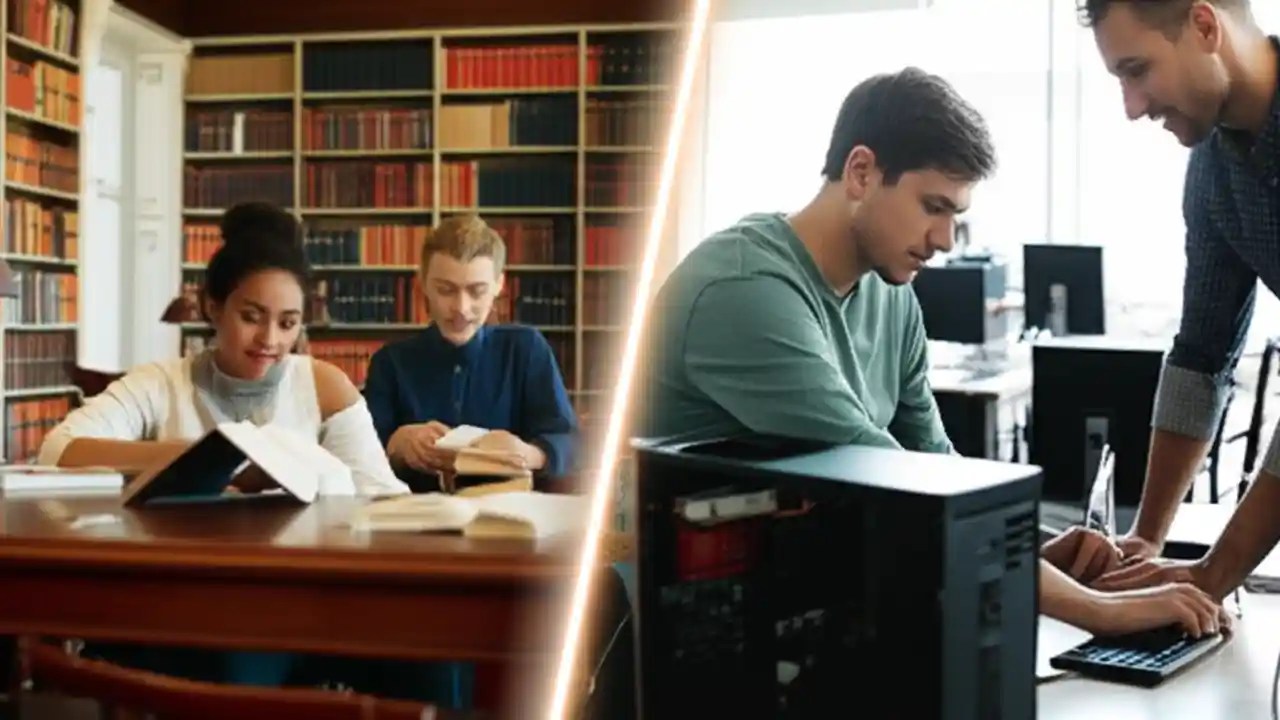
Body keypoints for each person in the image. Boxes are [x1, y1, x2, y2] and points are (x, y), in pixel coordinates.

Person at [636, 67, 1227, 637]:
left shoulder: (892, 299)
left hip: (800, 603)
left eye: (955, 214)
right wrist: (1103, 611)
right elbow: (902, 488)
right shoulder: (743, 292)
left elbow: (938, 469)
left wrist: (1037, 548)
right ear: (862, 172)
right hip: (683, 621)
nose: (946, 241)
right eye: (933, 207)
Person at [36, 202, 410, 689]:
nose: (270, 340)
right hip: (185, 599)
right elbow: (59, 450)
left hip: (306, 598)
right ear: (212, 306)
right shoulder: (160, 382)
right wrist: (207, 457)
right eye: (251, 317)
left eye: (288, 323)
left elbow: (384, 499)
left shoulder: (322, 385)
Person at [1073, 0, 1280, 603]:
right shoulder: (1214, 170)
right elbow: (1201, 356)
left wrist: (1214, 575)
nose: (1133, 107)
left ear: (1205, 26)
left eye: (1137, 71)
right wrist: (1146, 539)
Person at [363, 214, 578, 492]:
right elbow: (359, 456)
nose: (461, 309)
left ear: (500, 285)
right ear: (423, 285)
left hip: (510, 516)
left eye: (477, 291)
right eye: (445, 290)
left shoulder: (526, 348)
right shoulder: (389, 362)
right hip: (416, 519)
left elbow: (570, 442)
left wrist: (527, 454)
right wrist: (398, 443)